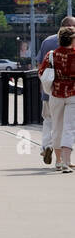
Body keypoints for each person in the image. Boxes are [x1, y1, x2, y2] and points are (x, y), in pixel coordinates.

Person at [34, 16, 75, 166]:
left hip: (52, 91)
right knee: (69, 127)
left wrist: (45, 85)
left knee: (50, 121)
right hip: (72, 94)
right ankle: (66, 160)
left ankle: (48, 147)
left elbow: (40, 68)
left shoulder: (48, 46)